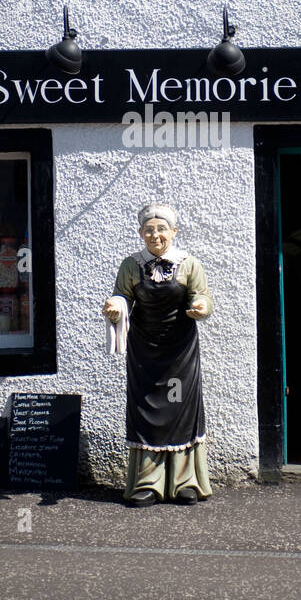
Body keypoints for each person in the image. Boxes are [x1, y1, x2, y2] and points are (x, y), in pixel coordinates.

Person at [103, 203, 213, 506]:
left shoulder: (189, 264)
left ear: (173, 231)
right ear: (141, 233)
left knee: (179, 409)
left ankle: (185, 481)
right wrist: (116, 306)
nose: (155, 235)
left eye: (161, 229)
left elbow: (201, 295)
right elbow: (122, 295)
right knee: (146, 411)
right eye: (149, 230)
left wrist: (201, 306)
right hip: (144, 352)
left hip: (180, 351)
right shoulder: (130, 265)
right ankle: (146, 482)